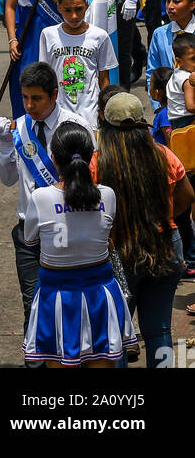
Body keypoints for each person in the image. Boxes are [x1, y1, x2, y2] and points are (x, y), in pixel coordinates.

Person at [0, 61, 93, 360]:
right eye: (25, 98)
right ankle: (36, 362)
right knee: (32, 303)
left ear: (54, 94)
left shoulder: (75, 126)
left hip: (68, 227)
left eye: (37, 98)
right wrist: (7, 146)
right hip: (28, 233)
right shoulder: (20, 127)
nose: (29, 105)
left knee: (70, 300)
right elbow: (8, 179)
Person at [23, 120, 134, 368]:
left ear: (53, 158)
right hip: (100, 296)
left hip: (56, 298)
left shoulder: (40, 198)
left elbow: (30, 241)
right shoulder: (107, 195)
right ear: (90, 157)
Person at [96, 92, 191, 367]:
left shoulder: (97, 163)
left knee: (116, 336)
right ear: (141, 124)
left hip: (117, 251)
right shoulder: (165, 156)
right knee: (159, 330)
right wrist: (161, 216)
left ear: (106, 126)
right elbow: (187, 197)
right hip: (164, 244)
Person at [37, 0, 117, 129]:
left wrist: (104, 111)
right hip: (58, 116)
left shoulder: (100, 36)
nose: (74, 16)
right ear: (59, 7)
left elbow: (104, 78)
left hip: (90, 116)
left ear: (86, 5)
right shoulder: (48, 35)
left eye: (79, 9)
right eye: (68, 10)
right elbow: (45, 77)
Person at [167, 30, 195, 129]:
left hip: (176, 122)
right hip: (187, 121)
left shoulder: (176, 74)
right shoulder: (188, 80)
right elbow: (191, 107)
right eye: (193, 59)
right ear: (179, 61)